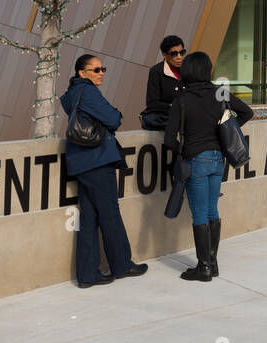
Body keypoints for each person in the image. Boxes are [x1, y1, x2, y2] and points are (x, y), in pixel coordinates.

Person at [163, 51, 254, 282]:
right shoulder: (219, 93)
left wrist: (180, 150)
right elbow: (246, 111)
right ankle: (212, 264)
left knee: (200, 214)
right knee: (212, 210)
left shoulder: (182, 99)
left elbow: (168, 140)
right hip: (218, 159)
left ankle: (203, 267)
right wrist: (225, 128)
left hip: (195, 159)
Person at [60, 55, 148, 287]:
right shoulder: (87, 92)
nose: (101, 73)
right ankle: (122, 264)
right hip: (97, 161)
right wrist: (115, 113)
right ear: (82, 72)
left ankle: (88, 275)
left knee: (88, 218)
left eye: (103, 69)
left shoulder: (72, 94)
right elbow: (113, 118)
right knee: (110, 213)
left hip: (81, 162)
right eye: (96, 69)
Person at [140, 35, 184, 130]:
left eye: (182, 52)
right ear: (164, 55)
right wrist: (173, 106)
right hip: (166, 119)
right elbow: (152, 102)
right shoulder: (156, 71)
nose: (179, 57)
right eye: (174, 54)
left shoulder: (187, 70)